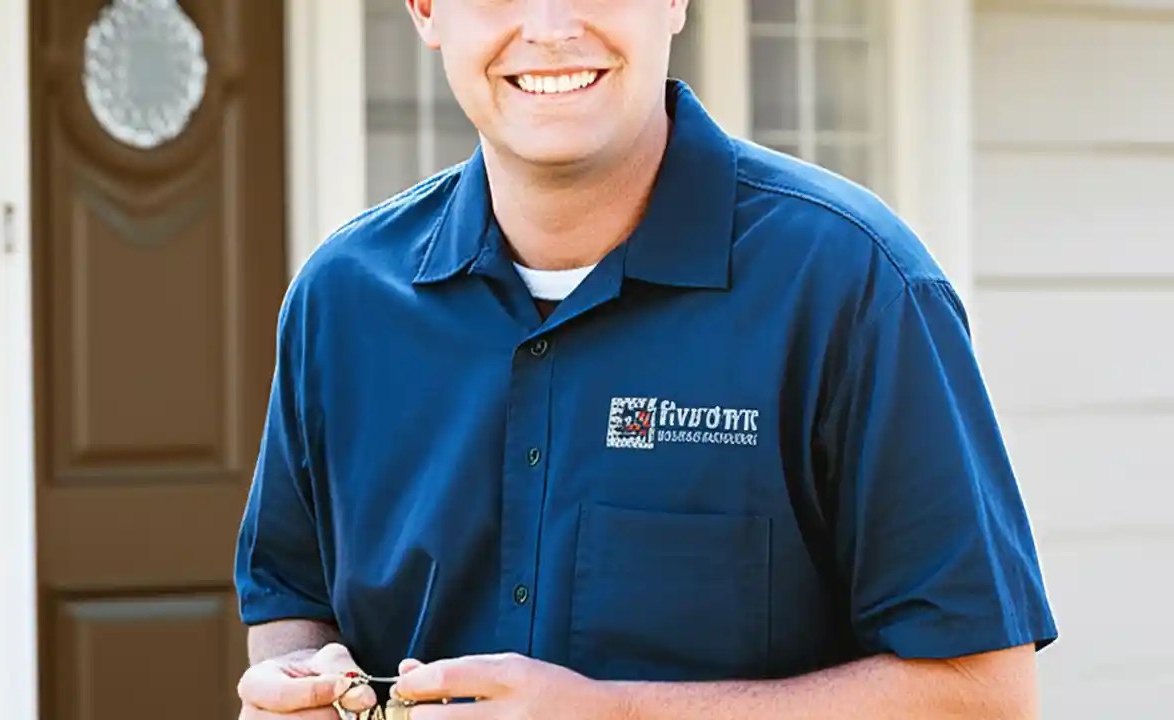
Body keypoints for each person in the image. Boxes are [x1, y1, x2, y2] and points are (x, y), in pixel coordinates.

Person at [233, 1, 1058, 718]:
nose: (551, 27)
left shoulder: (854, 285)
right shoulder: (339, 303)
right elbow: (294, 608)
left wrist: (616, 715)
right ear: (424, 9)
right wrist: (297, 685)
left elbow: (981, 694)